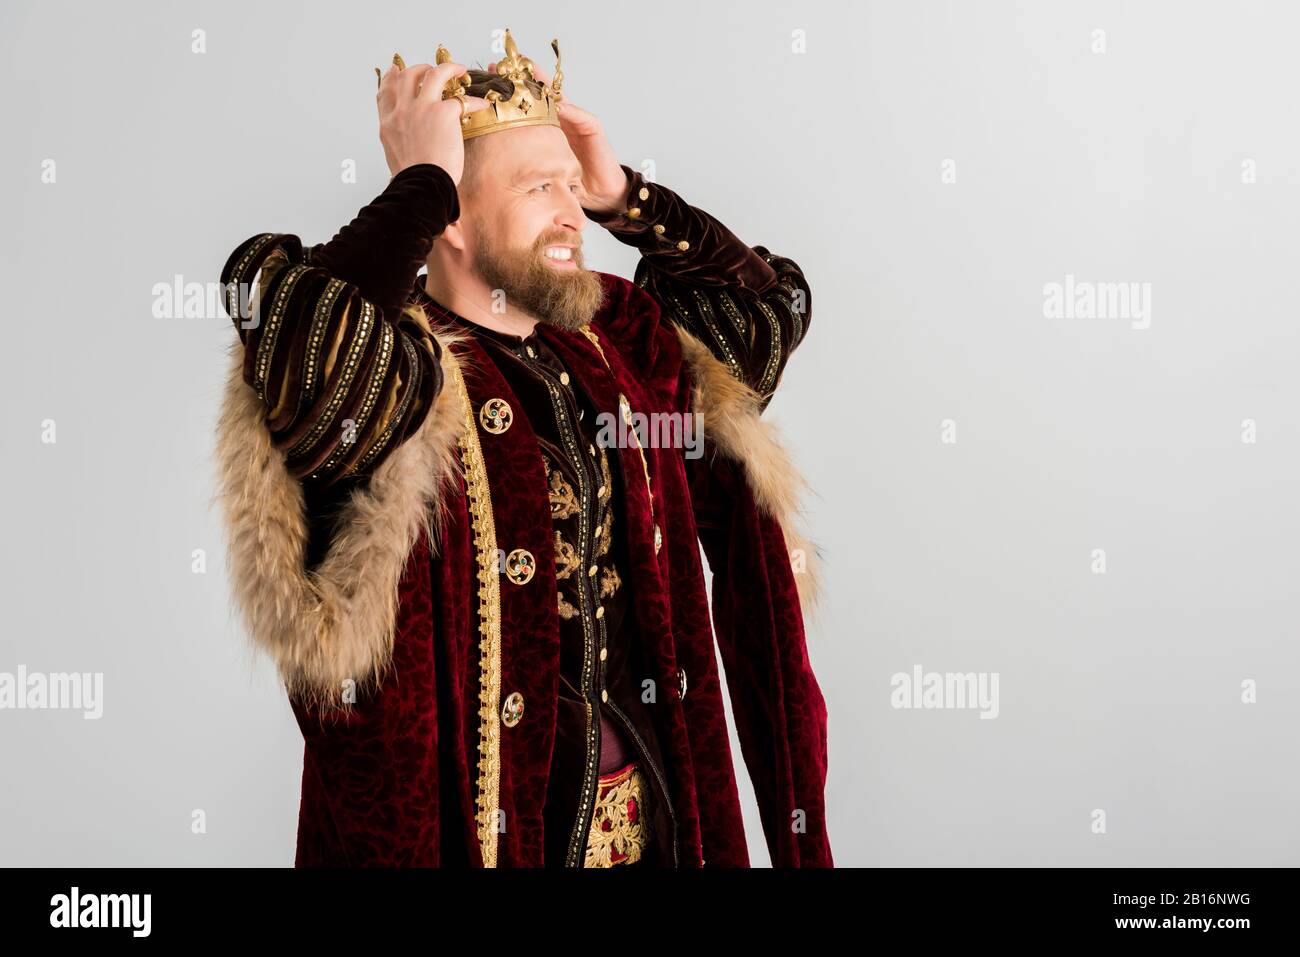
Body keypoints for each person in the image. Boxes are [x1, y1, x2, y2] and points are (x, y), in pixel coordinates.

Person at [213, 28, 831, 867]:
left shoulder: (620, 341)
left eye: (572, 189)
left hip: (656, 828)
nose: (572, 216)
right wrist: (421, 181)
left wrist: (626, 196)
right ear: (453, 223)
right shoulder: (396, 377)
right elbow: (298, 343)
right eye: (542, 187)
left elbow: (764, 313)